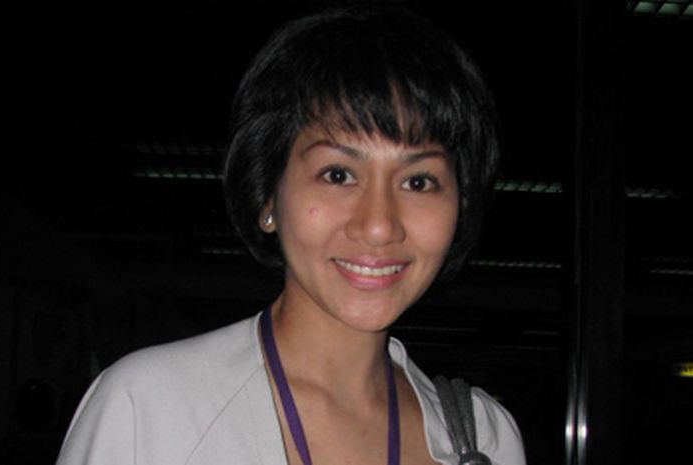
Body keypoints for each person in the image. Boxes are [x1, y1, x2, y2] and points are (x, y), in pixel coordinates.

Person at [56, 5, 526, 465]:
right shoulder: (150, 410)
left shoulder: (484, 440)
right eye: (338, 174)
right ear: (267, 196)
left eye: (418, 182)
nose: (379, 225)